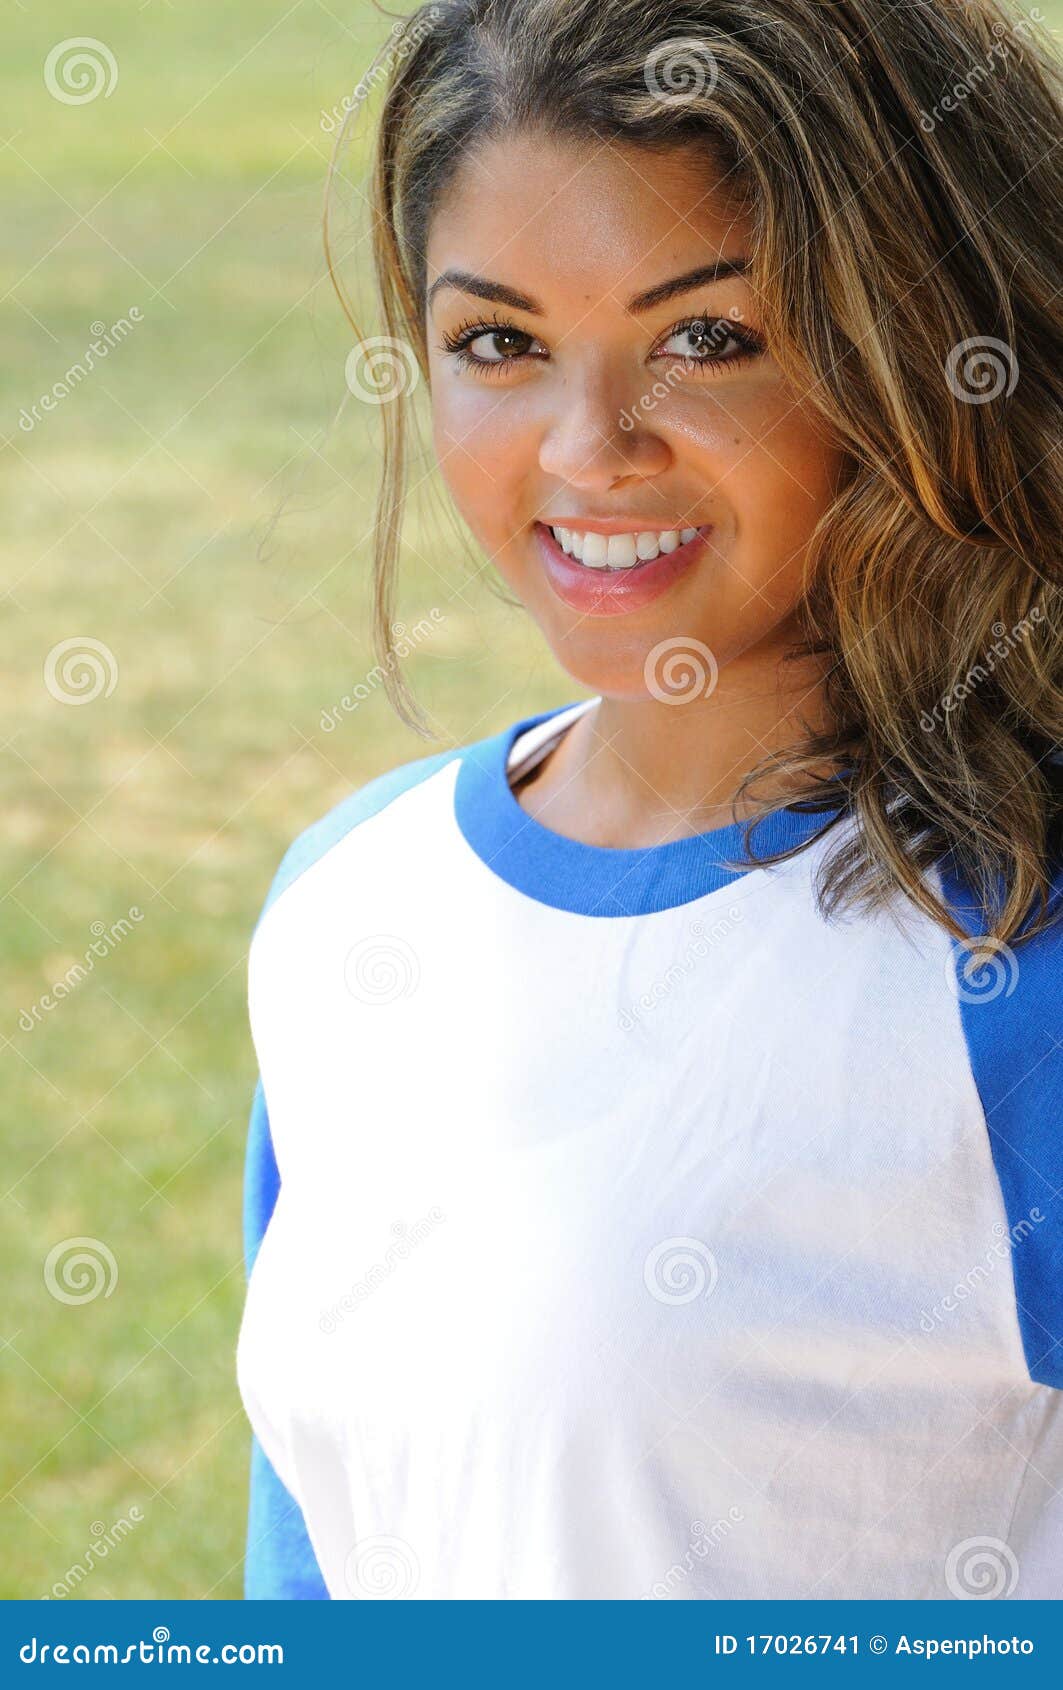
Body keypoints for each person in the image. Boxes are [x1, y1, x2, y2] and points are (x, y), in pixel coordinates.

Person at [236, 0, 1063, 1599]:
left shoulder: (1017, 957)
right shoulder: (349, 901)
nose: (586, 448)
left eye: (709, 340)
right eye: (500, 343)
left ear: (911, 349)